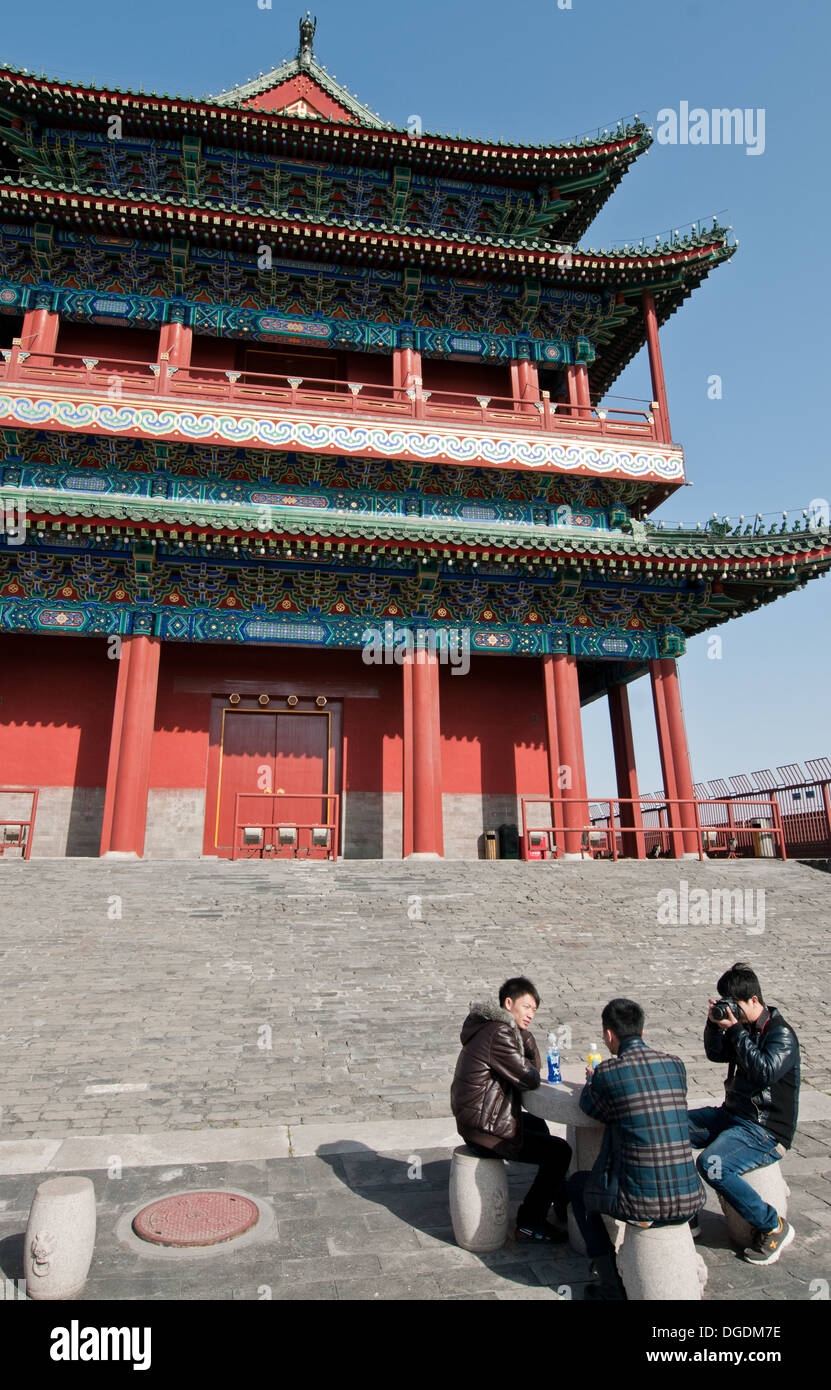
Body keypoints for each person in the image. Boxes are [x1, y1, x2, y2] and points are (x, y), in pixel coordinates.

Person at [568, 998, 704, 1300]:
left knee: (577, 1187)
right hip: (691, 1195)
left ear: (608, 1035)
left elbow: (590, 1107)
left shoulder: (608, 1073)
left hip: (641, 1202)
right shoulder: (675, 1065)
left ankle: (610, 1284)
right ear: (642, 1032)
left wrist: (593, 1083)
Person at [689, 962, 799, 1265]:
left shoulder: (781, 1035)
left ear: (754, 1000)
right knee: (670, 1126)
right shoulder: (744, 1027)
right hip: (733, 1116)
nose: (731, 1010)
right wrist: (714, 1024)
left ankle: (772, 1225)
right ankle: (689, 1210)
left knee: (712, 1163)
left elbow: (764, 1071)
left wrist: (735, 1029)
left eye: (734, 1004)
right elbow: (716, 1054)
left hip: (765, 1129)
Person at [450, 976, 571, 1242]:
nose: (530, 1014)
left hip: (477, 1119)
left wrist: (522, 1034)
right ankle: (530, 1221)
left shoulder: (488, 1028)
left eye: (534, 1011)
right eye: (527, 1007)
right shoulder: (500, 1033)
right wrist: (524, 1037)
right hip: (485, 1130)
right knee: (560, 1152)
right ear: (508, 1003)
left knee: (538, 1125)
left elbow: (530, 1071)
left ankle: (562, 1204)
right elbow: (530, 1077)